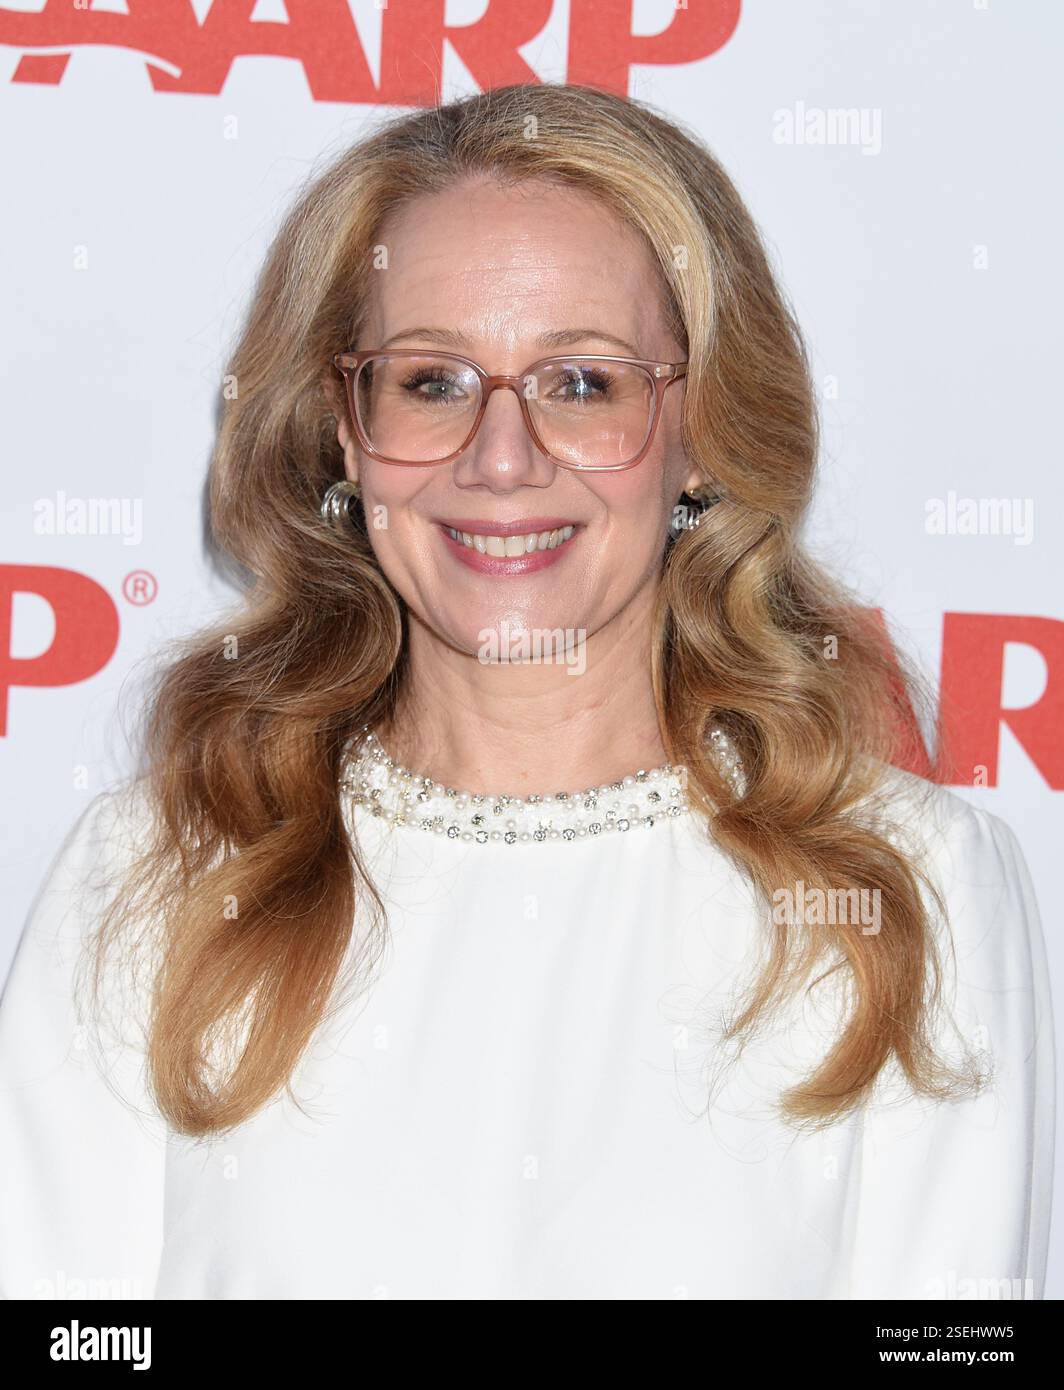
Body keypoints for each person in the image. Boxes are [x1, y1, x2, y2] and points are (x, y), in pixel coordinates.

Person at [0, 83, 1053, 1300]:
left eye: (584, 384)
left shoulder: (907, 892)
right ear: (343, 429)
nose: (500, 459)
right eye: (431, 382)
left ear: (699, 430)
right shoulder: (155, 876)